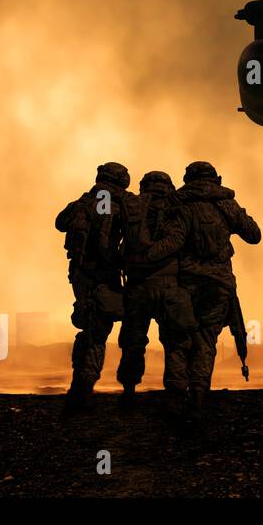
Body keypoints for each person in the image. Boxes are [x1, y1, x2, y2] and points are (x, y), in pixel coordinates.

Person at [176, 161, 260, 418]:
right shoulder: (225, 203)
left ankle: (178, 395)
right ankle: (199, 395)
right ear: (216, 179)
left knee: (180, 339)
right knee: (205, 340)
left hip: (185, 283)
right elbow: (254, 234)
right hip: (218, 284)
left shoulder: (178, 203)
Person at [116, 171, 198, 413]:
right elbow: (186, 242)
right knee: (176, 342)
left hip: (137, 285)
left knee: (133, 342)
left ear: (143, 186)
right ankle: (174, 394)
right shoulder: (178, 206)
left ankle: (129, 391)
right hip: (170, 286)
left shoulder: (130, 206)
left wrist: (136, 258)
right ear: (168, 186)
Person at [54, 162, 133, 413]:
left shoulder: (86, 203)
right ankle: (84, 385)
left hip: (81, 277)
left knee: (90, 328)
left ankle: (80, 384)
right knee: (99, 331)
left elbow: (60, 222)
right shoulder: (121, 205)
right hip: (104, 276)